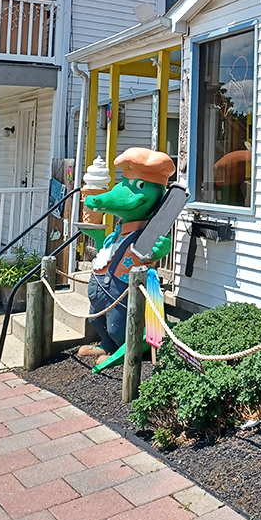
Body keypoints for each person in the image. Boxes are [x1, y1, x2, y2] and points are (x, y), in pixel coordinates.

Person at [78, 147, 175, 365]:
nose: (123, 192)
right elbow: (110, 252)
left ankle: (124, 349)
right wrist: (95, 233)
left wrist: (161, 249)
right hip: (102, 288)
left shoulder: (148, 234)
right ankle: (106, 344)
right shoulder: (118, 231)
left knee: (118, 325)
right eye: (125, 183)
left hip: (122, 289)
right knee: (98, 319)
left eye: (139, 186)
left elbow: (153, 254)